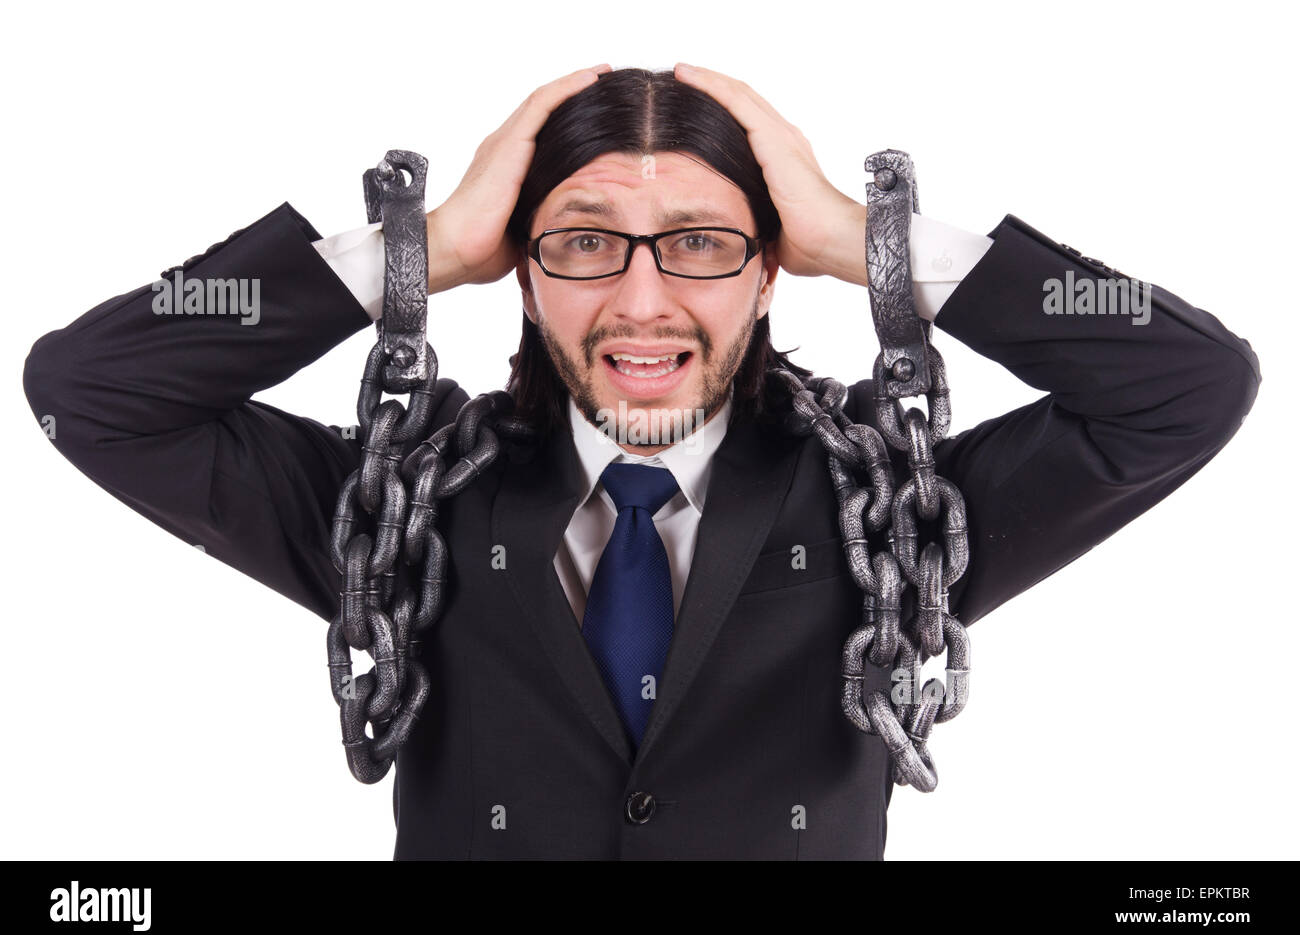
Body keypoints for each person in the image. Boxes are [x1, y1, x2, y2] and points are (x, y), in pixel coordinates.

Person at [21, 64, 1261, 860]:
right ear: (519, 270)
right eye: (584, 244)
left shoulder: (884, 514)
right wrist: (419, 249)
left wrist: (866, 239)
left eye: (704, 245)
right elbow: (91, 391)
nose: (644, 300)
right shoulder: (406, 504)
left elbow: (1188, 384)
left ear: (774, 269)